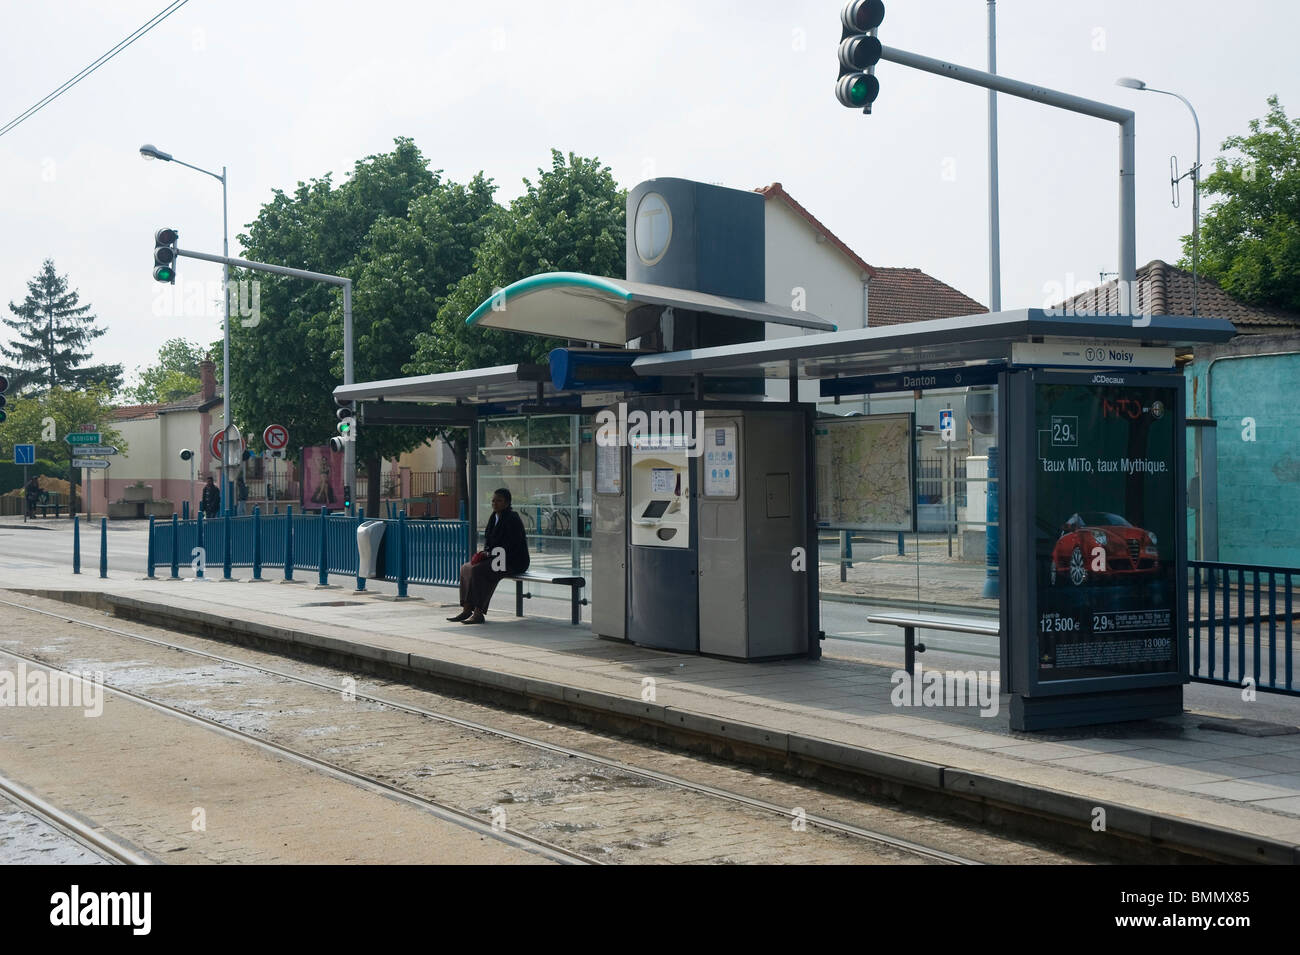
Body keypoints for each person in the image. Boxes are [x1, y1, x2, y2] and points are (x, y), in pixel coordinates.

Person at [449, 488, 529, 625]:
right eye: (493, 500)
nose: (495, 503)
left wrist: (490, 554)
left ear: (507, 503)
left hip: (512, 560)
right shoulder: (494, 517)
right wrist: (486, 553)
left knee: (479, 571)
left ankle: (479, 612)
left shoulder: (512, 518)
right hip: (497, 558)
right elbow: (490, 541)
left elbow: (511, 544)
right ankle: (467, 608)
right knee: (466, 568)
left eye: (499, 501)